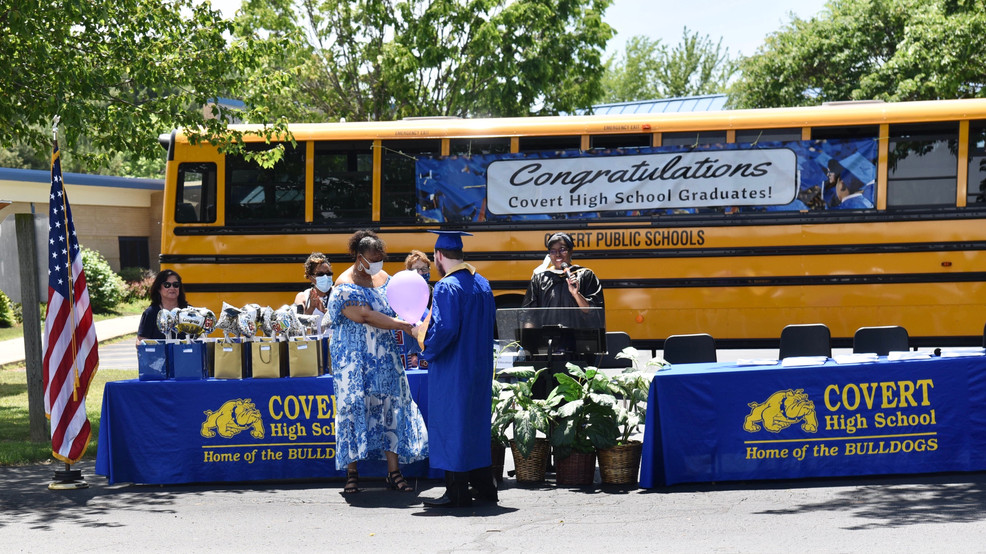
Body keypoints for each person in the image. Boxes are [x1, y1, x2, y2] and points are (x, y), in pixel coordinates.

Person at [325, 230, 428, 494]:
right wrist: (404, 325)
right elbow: (366, 316)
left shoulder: (385, 279)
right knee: (352, 408)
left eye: (381, 257)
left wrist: (419, 320)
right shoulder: (343, 285)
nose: (378, 263)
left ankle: (394, 473)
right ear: (360, 257)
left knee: (390, 406)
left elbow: (401, 303)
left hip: (384, 355)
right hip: (353, 359)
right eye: (374, 258)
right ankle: (352, 473)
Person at [422, 230, 497, 509]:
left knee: (452, 426)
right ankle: (485, 487)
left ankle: (457, 492)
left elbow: (446, 329)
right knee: (474, 427)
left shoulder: (446, 287)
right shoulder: (483, 284)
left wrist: (426, 347)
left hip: (453, 369)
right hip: (478, 367)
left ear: (439, 256)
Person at [522, 232, 604, 310]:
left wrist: (576, 294)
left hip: (577, 325)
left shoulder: (586, 275)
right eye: (553, 251)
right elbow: (529, 315)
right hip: (548, 325)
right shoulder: (539, 279)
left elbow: (593, 312)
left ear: (571, 251)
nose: (557, 254)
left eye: (562, 250)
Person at [136, 269, 189, 343]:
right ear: (158, 288)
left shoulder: (189, 312)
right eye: (167, 285)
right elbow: (141, 341)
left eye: (176, 285)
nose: (172, 288)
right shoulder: (150, 313)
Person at [401, 250, 432, 369]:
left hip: (430, 356)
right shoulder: (401, 296)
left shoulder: (437, 293)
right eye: (415, 269)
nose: (420, 273)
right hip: (410, 359)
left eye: (424, 269)